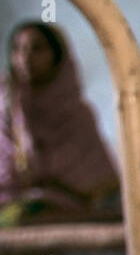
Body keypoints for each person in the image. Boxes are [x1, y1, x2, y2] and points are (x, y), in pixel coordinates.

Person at [1, 21, 119, 225]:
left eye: (37, 48)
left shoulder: (77, 114)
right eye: (18, 49)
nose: (25, 58)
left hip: (66, 204)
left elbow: (96, 184)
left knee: (22, 216)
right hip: (9, 200)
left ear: (57, 57)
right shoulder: (6, 109)